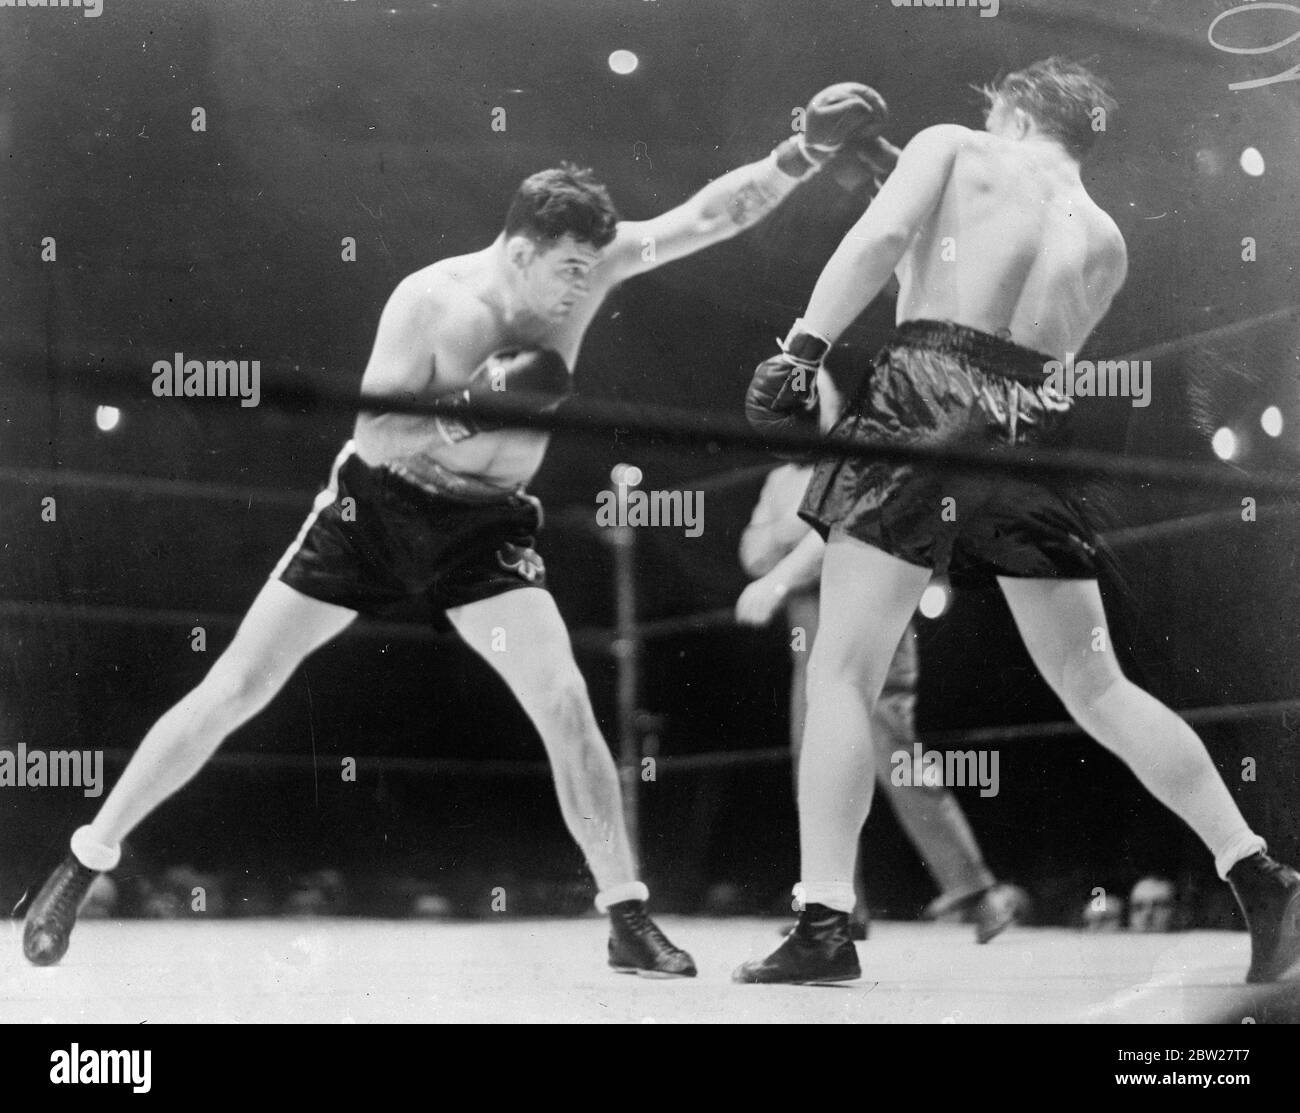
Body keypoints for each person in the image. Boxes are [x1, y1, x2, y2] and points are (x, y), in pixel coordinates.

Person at [22, 83, 899, 977]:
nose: (576, 289)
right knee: (240, 682)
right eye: (562, 270)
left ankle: (626, 915)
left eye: (584, 271)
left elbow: (709, 214)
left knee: (564, 701)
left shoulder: (589, 266)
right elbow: (374, 432)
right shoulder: (429, 303)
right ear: (519, 249)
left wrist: (802, 152)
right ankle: (81, 862)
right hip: (379, 508)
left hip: (484, 533)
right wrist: (474, 407)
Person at [737, 57, 1300, 985]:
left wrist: (801, 353)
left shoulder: (955, 145)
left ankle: (825, 925)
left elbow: (891, 244)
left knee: (842, 669)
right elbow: (988, 283)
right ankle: (1258, 867)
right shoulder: (1109, 235)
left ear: (1008, 108)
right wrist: (886, 159)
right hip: (1033, 428)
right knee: (1096, 683)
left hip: (924, 395)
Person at [737, 457, 1017, 943]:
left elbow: (838, 538)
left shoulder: (854, 456)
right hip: (812, 642)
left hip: (873, 625)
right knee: (815, 767)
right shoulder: (779, 479)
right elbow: (752, 552)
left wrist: (785, 556)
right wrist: (794, 529)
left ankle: (976, 893)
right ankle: (835, 908)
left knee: (896, 757)